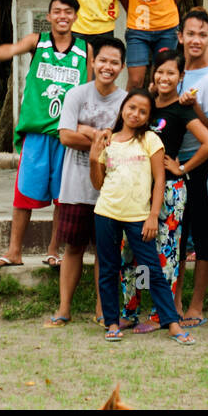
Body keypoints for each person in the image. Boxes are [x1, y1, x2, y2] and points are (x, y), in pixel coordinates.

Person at [0, 0, 88, 269]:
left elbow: (93, 85)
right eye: (57, 11)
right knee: (24, 193)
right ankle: (14, 251)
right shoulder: (37, 42)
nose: (63, 16)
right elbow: (10, 50)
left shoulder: (85, 49)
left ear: (75, 17)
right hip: (37, 131)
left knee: (64, 196)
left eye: (68, 12)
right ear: (48, 17)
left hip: (67, 134)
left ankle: (53, 251)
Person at [120, 49, 208, 331]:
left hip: (171, 193)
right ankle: (131, 310)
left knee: (166, 255)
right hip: (139, 189)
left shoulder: (182, 108)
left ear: (181, 76)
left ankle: (160, 313)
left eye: (171, 73)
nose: (164, 77)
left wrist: (182, 168)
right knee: (135, 252)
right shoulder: (146, 104)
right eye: (160, 72)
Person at [90, 90, 195, 344]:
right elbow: (98, 183)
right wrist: (95, 158)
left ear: (148, 117)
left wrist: (152, 216)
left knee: (152, 269)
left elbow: (160, 180)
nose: (135, 114)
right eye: (132, 107)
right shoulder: (108, 140)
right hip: (106, 212)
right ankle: (113, 322)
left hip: (139, 216)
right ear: (123, 108)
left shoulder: (150, 139)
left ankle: (171, 323)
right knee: (108, 268)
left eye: (142, 111)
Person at [45, 35, 127, 326]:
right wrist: (98, 136)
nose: (107, 67)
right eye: (102, 60)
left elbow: (122, 143)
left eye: (114, 62)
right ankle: (63, 308)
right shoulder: (76, 95)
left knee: (106, 253)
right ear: (92, 63)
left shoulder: (125, 100)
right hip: (75, 187)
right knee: (73, 249)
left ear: (122, 67)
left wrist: (85, 130)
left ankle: (103, 310)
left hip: (110, 190)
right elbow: (65, 135)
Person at [174, 8, 208, 325]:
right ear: (180, 36)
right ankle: (174, 299)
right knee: (175, 236)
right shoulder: (171, 69)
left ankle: (196, 304)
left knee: (202, 235)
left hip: (200, 167)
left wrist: (193, 109)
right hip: (169, 165)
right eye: (190, 33)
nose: (195, 40)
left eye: (202, 35)